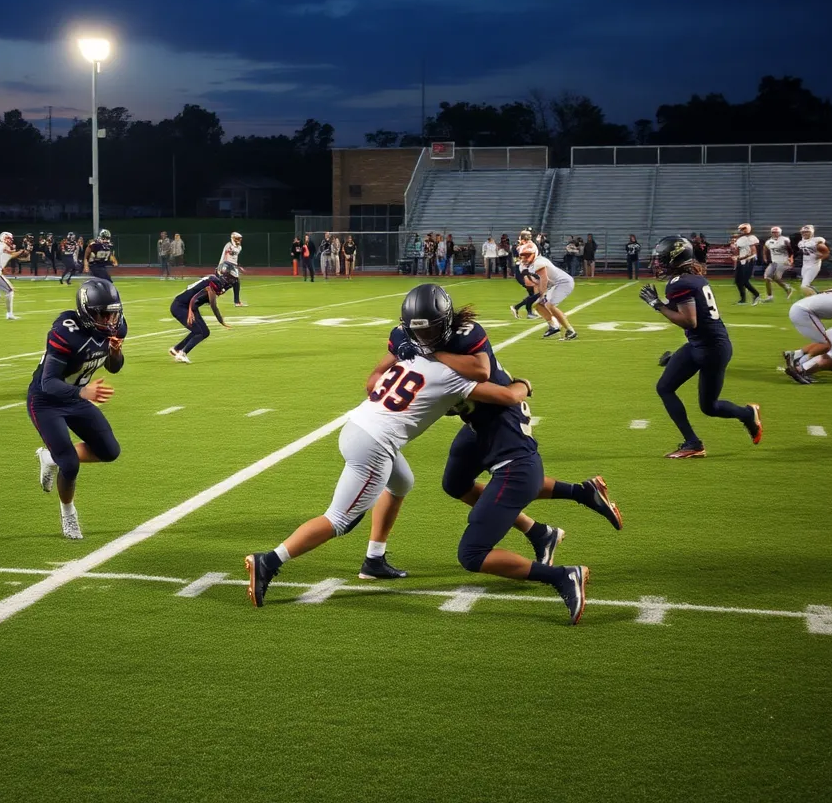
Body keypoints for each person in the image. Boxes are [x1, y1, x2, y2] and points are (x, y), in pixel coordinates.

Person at [243, 284, 566, 611]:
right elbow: (506, 396)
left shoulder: (407, 354)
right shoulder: (452, 372)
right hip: (374, 445)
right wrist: (524, 383)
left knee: (402, 483)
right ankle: (270, 561)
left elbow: (371, 384)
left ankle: (374, 559)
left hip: (357, 425)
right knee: (339, 520)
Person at [639, 235, 763, 458]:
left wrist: (657, 305)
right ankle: (693, 442)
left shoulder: (680, 283)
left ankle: (746, 414)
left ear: (675, 258)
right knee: (665, 387)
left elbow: (689, 321)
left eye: (663, 258)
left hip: (710, 350)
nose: (658, 263)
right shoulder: (692, 278)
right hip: (703, 344)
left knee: (709, 407)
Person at [29, 278, 126, 539]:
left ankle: (49, 457)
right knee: (70, 465)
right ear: (86, 313)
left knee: (109, 451)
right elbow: (48, 383)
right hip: (46, 400)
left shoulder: (115, 327)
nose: (109, 320)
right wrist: (84, 391)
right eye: (102, 314)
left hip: (75, 396)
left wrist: (115, 352)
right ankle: (68, 514)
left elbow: (114, 366)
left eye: (112, 313)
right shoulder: (66, 332)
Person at [168, 262, 235, 363]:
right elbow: (194, 299)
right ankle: (182, 353)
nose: (229, 283)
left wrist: (221, 322)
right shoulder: (212, 283)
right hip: (181, 306)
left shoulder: (212, 280)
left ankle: (177, 348)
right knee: (199, 332)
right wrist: (190, 311)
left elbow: (212, 305)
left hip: (188, 306)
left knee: (204, 332)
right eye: (229, 279)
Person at [518, 234, 577, 340]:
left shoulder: (538, 262)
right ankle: (553, 326)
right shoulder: (530, 265)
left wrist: (542, 294)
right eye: (523, 255)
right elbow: (537, 281)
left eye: (527, 255)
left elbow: (544, 279)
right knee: (538, 305)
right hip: (556, 284)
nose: (524, 258)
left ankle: (570, 330)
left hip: (563, 282)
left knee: (549, 304)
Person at [761, 226, 794, 301]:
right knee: (767, 278)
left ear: (780, 232)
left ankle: (787, 288)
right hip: (774, 262)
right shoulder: (769, 241)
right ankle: (770, 297)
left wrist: (791, 258)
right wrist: (765, 257)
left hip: (784, 261)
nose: (775, 234)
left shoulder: (785, 240)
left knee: (776, 277)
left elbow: (791, 250)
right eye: (773, 232)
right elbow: (765, 249)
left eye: (776, 232)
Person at [732, 223, 761, 305]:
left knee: (744, 281)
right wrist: (736, 257)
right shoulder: (740, 239)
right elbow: (738, 250)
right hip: (741, 261)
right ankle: (743, 299)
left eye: (743, 229)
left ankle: (756, 294)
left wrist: (742, 257)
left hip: (748, 261)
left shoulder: (752, 238)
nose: (741, 231)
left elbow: (753, 252)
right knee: (738, 281)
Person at [796, 224, 828, 296]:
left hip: (814, 265)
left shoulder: (817, 241)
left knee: (804, 286)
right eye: (803, 232)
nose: (805, 233)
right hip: (805, 265)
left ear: (812, 232)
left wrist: (821, 257)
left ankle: (817, 297)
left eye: (807, 232)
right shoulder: (800, 243)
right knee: (807, 284)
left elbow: (827, 253)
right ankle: (813, 297)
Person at [220, 231, 247, 306]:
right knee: (234, 282)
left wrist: (238, 266)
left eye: (240, 239)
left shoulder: (239, 247)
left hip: (233, 266)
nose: (239, 240)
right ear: (233, 239)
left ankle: (221, 291)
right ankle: (236, 302)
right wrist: (220, 265)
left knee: (232, 283)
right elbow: (223, 254)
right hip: (227, 264)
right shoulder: (228, 245)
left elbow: (234, 257)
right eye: (238, 238)